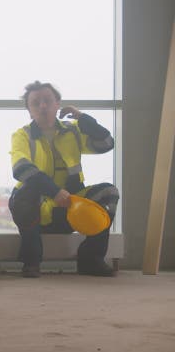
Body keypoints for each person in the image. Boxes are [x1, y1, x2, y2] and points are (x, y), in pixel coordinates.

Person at [9, 81, 119, 278]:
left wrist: (83, 118)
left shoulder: (73, 130)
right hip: (37, 211)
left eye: (47, 100)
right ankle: (31, 261)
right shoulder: (22, 135)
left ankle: (91, 259)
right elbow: (21, 168)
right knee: (21, 195)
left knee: (109, 192)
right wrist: (55, 192)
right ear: (29, 111)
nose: (43, 106)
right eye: (36, 103)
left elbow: (106, 143)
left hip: (71, 206)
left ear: (57, 104)